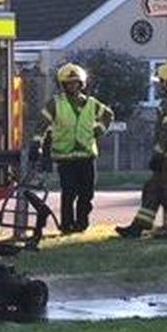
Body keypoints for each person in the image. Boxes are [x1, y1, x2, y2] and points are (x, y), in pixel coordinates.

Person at [35, 63, 114, 234]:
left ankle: (82, 224)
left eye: (76, 83)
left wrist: (98, 131)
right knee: (69, 192)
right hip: (65, 156)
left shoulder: (92, 104)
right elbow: (41, 125)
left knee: (87, 193)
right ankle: (67, 224)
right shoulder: (55, 104)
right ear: (63, 85)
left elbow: (108, 116)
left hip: (86, 155)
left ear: (81, 84)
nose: (72, 86)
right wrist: (37, 143)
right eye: (68, 83)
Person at [116, 63, 167, 239]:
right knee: (152, 189)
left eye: (161, 82)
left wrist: (158, 153)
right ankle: (138, 227)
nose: (159, 86)